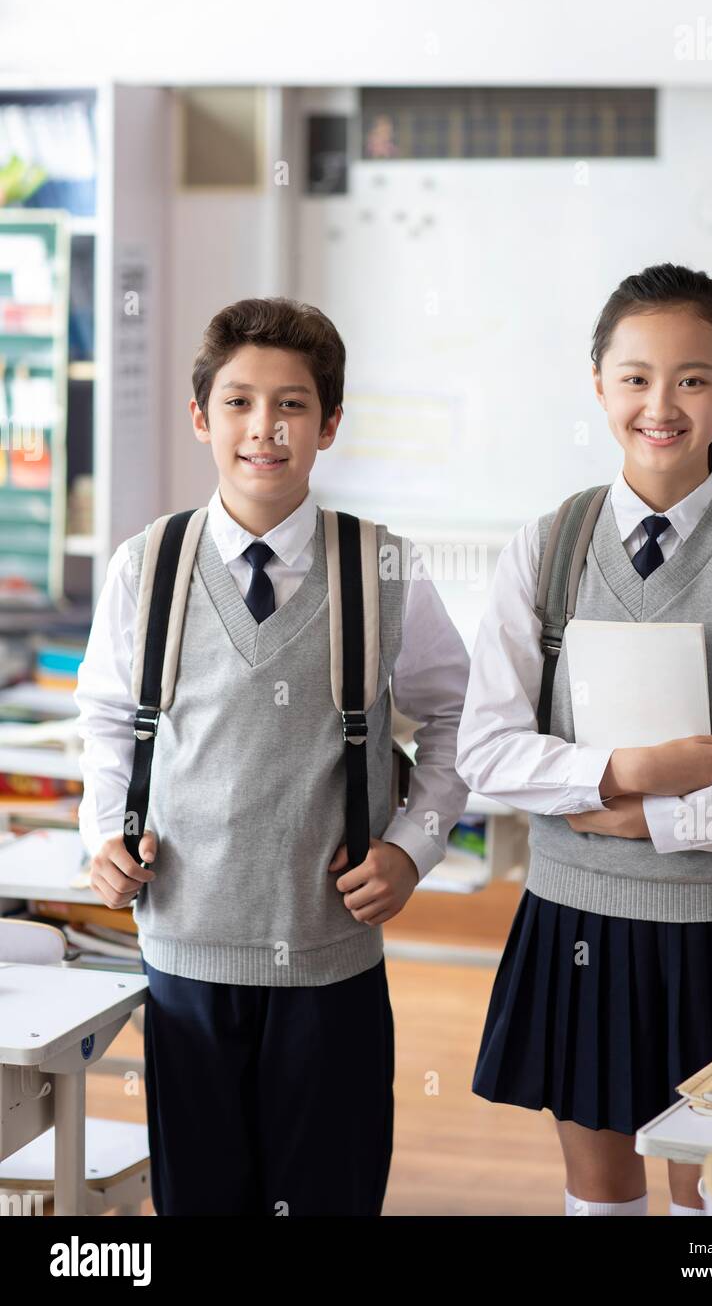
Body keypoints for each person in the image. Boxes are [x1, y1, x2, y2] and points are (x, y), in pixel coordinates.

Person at [455, 262, 712, 1218]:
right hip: (575, 921)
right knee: (601, 1195)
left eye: (693, 378)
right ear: (599, 384)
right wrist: (627, 771)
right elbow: (486, 748)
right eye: (635, 377)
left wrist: (655, 819)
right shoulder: (545, 547)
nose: (660, 405)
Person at [75, 296, 470, 1216]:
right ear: (201, 416)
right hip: (184, 952)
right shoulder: (147, 565)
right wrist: (104, 831)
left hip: (328, 962)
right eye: (241, 402)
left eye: (292, 405)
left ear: (329, 424)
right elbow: (105, 722)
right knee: (201, 1200)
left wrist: (413, 846)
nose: (265, 429)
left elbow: (455, 724)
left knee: (325, 1197)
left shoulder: (382, 568)